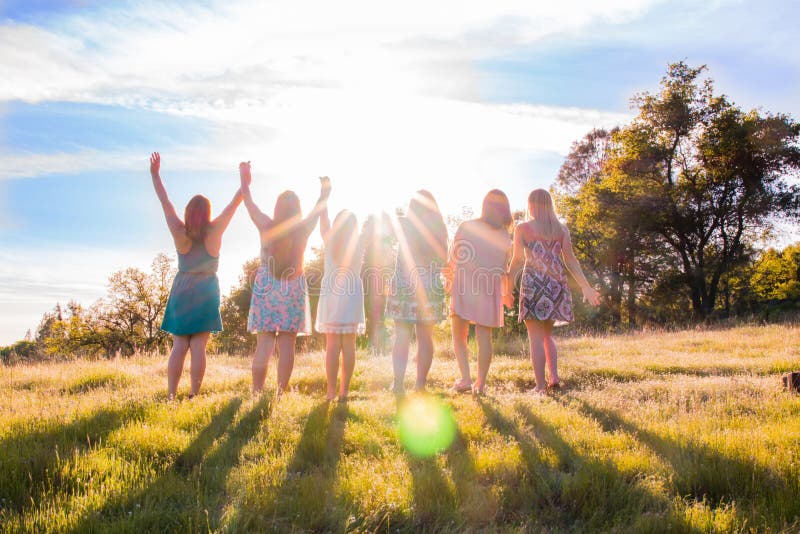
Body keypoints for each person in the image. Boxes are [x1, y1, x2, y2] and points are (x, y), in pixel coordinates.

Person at [150, 152, 244, 400]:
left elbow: (165, 201)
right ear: (207, 213)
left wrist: (155, 175)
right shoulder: (214, 232)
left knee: (179, 346)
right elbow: (234, 206)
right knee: (199, 346)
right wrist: (245, 182)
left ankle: (171, 396)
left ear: (188, 213)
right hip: (206, 289)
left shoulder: (179, 232)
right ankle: (194, 394)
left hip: (183, 288)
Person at [239, 162, 329, 395]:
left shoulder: (267, 225)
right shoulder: (303, 228)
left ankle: (257, 392)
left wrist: (244, 180)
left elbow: (249, 204)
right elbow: (319, 209)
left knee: (264, 342)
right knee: (287, 343)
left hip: (266, 288)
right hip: (293, 288)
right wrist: (324, 192)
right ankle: (280, 392)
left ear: (277, 208)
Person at [508, 188, 601, 394]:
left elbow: (517, 261)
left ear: (530, 204)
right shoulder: (561, 229)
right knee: (547, 335)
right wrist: (586, 287)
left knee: (535, 337)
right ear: (550, 204)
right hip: (555, 283)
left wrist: (507, 285)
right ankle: (554, 377)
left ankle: (540, 387)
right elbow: (571, 261)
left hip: (533, 283)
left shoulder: (522, 228)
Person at [447, 190, 513, 395]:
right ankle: (480, 384)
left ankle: (465, 378)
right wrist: (505, 293)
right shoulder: (505, 236)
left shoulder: (467, 226)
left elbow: (454, 256)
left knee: (459, 335)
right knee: (485, 337)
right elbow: (504, 268)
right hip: (489, 287)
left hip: (465, 284)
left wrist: (449, 281)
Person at [386, 190, 448, 394]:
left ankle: (397, 384)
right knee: (425, 338)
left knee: (401, 336)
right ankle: (420, 384)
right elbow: (442, 261)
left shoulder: (404, 225)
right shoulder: (439, 230)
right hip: (429, 290)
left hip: (404, 287)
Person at [316, 200, 373, 401]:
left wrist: (324, 196)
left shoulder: (330, 239)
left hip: (332, 293)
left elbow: (323, 220)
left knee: (332, 345)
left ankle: (331, 392)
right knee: (349, 345)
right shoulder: (359, 242)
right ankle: (344, 392)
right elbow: (373, 226)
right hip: (351, 294)